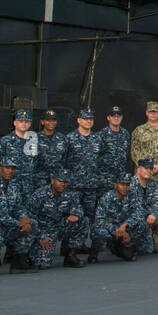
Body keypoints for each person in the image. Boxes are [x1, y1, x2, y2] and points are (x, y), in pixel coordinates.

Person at [64, 108, 106, 261]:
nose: (88, 121)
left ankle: (82, 245)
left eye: (91, 119)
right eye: (85, 118)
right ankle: (69, 246)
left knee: (89, 217)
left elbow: (100, 160)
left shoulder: (97, 139)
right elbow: (64, 161)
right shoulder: (69, 139)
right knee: (74, 216)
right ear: (79, 120)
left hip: (91, 186)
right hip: (74, 186)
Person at [25, 171, 83, 269]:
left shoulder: (71, 194)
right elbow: (29, 217)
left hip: (60, 227)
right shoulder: (40, 194)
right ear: (52, 181)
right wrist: (41, 237)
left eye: (65, 182)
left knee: (82, 221)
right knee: (42, 264)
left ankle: (71, 254)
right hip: (44, 231)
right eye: (60, 181)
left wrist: (76, 214)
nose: (63, 184)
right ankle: (26, 253)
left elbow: (79, 208)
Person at [93, 174, 147, 261]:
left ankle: (122, 246)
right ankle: (94, 252)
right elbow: (99, 220)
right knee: (99, 231)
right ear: (116, 185)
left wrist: (125, 225)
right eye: (122, 184)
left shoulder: (132, 196)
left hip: (123, 227)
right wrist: (116, 230)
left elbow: (138, 213)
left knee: (141, 224)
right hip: (110, 228)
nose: (125, 187)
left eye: (127, 185)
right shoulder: (106, 198)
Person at [129, 101, 158, 178]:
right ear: (147, 113)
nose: (153, 114)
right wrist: (144, 166)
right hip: (142, 173)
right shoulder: (138, 130)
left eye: (156, 112)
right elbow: (134, 150)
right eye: (151, 112)